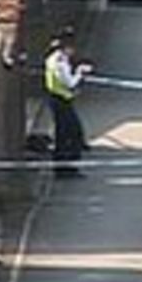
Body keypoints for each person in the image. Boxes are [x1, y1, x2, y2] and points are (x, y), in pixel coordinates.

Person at [44, 27, 93, 177]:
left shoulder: (59, 60)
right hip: (60, 101)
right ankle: (66, 168)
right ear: (65, 47)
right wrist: (80, 73)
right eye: (71, 47)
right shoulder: (59, 62)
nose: (74, 50)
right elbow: (69, 82)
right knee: (70, 134)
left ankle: (66, 168)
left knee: (65, 134)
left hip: (61, 99)